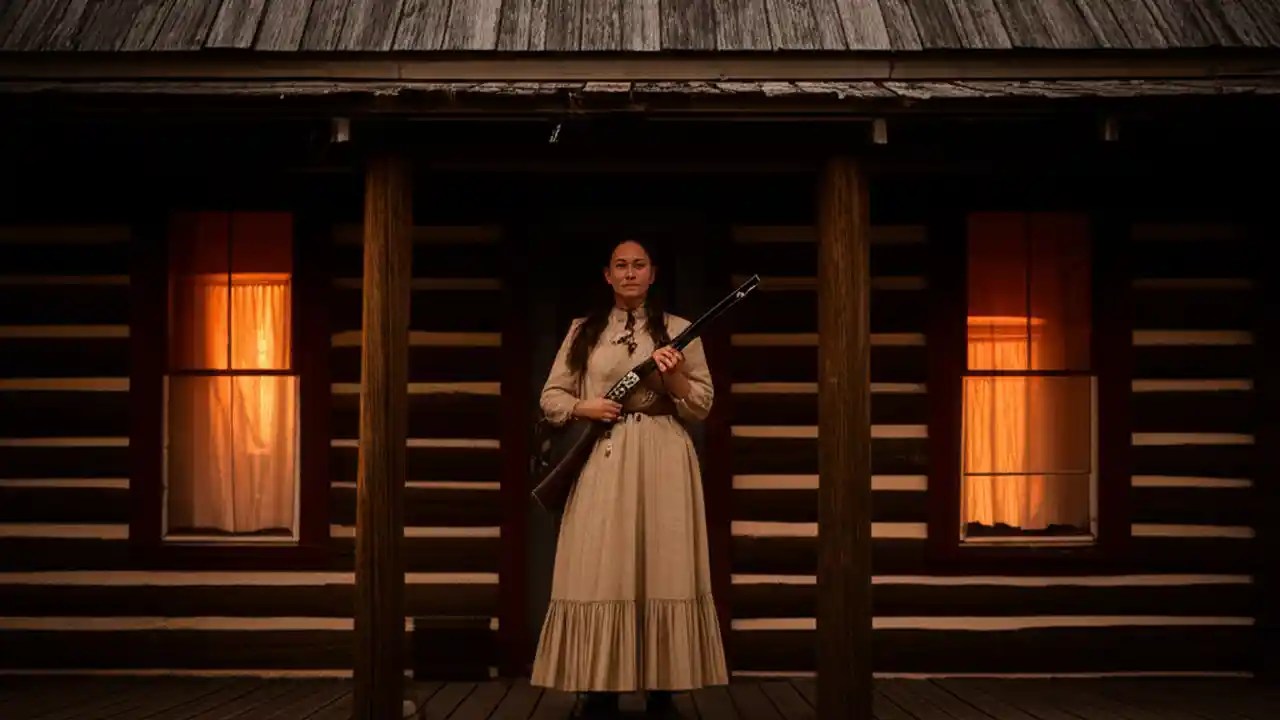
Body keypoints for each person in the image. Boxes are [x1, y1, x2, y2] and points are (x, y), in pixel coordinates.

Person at [530, 238, 729, 717]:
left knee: (665, 563)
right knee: (602, 567)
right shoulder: (583, 331)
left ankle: (664, 689)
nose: (630, 273)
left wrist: (674, 377)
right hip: (603, 454)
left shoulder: (680, 331)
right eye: (621, 265)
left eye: (639, 265)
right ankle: (599, 689)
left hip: (664, 456)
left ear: (653, 273)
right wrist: (586, 406)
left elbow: (701, 405)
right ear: (607, 275)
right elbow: (552, 397)